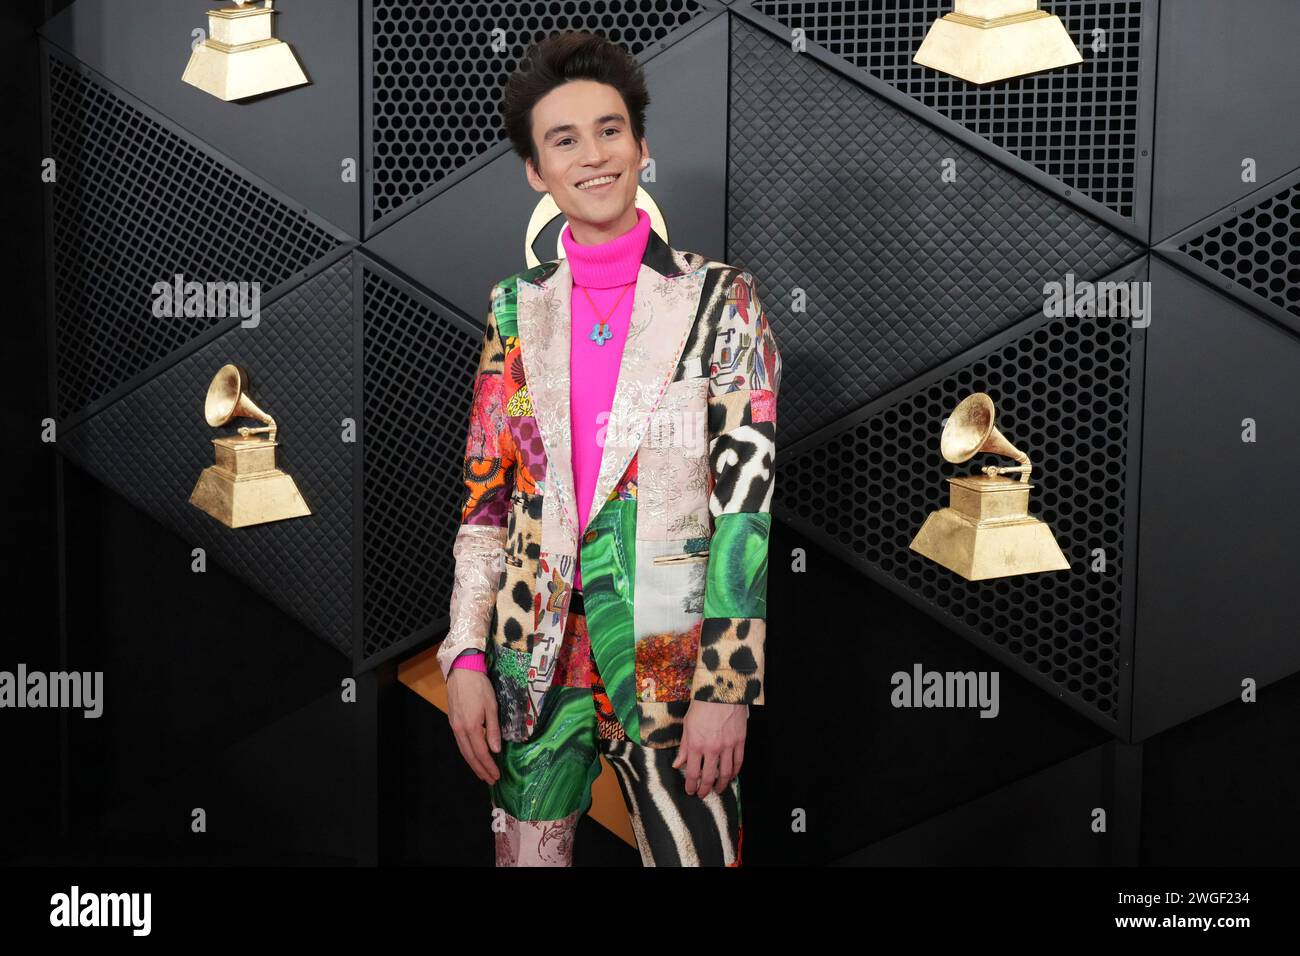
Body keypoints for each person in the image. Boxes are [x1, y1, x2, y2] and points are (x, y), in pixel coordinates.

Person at [440, 30, 781, 866]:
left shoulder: (721, 301)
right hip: (531, 662)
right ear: (535, 170)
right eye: (564, 140)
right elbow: (485, 501)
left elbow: (745, 511)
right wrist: (466, 652)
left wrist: (727, 686)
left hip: (674, 669)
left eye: (610, 130)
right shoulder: (513, 309)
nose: (593, 156)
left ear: (640, 145)